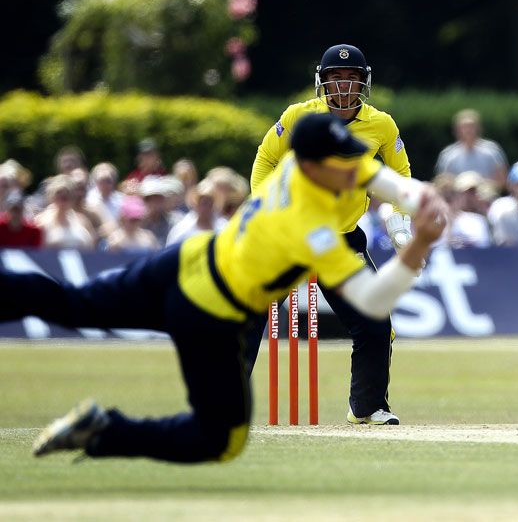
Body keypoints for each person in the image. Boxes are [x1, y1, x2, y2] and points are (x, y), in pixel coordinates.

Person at [0, 113, 448, 464]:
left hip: (183, 262)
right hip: (208, 311)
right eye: (342, 162)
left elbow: (377, 177)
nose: (353, 170)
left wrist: (418, 198)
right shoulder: (307, 225)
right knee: (218, 441)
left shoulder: (298, 166)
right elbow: (372, 301)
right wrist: (420, 243)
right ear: (315, 166)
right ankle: (103, 431)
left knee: (74, 304)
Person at [249, 44, 413, 425]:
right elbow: (265, 159)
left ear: (364, 82)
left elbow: (401, 175)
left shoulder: (380, 124)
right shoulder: (298, 115)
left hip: (340, 239)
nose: (343, 86)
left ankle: (367, 407)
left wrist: (400, 221)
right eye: (336, 78)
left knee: (374, 319)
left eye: (351, 78)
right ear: (322, 82)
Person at [435, 108, 508, 188]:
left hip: (487, 193)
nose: (468, 130)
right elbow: (442, 181)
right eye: (464, 127)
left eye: (471, 126)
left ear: (479, 128)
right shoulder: (448, 154)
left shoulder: (492, 150)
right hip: (458, 194)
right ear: (457, 130)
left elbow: (503, 179)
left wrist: (480, 185)